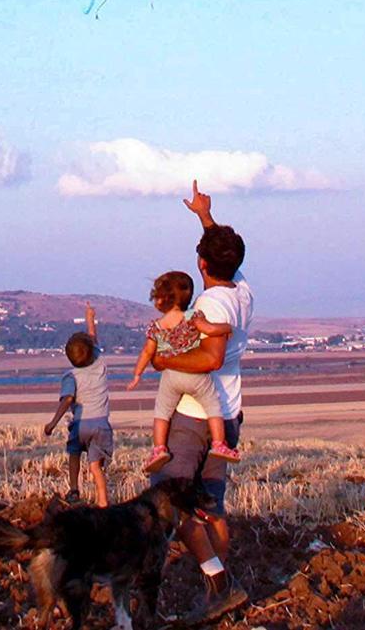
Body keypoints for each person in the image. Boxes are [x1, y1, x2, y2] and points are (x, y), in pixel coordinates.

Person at [150, 181, 254, 625]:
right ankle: (220, 589)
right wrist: (204, 216)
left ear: (201, 264)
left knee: (169, 503)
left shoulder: (211, 303)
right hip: (226, 414)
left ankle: (217, 582)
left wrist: (164, 358)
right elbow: (224, 255)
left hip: (194, 415)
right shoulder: (241, 291)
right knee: (212, 506)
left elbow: (209, 358)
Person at [127, 270, 241, 473]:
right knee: (214, 408)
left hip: (171, 377)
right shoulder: (194, 317)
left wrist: (137, 374)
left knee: (162, 412)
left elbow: (147, 352)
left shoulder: (156, 327)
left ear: (160, 300)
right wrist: (226, 328)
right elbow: (211, 329)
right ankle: (218, 444)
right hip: (196, 376)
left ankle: (159, 449)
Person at [44, 303, 112, 506]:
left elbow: (67, 400)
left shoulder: (70, 376)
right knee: (95, 467)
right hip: (100, 424)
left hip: (80, 424)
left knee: (74, 453)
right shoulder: (100, 364)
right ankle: (102, 502)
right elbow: (93, 339)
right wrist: (90, 318)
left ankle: (74, 490)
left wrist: (53, 423)